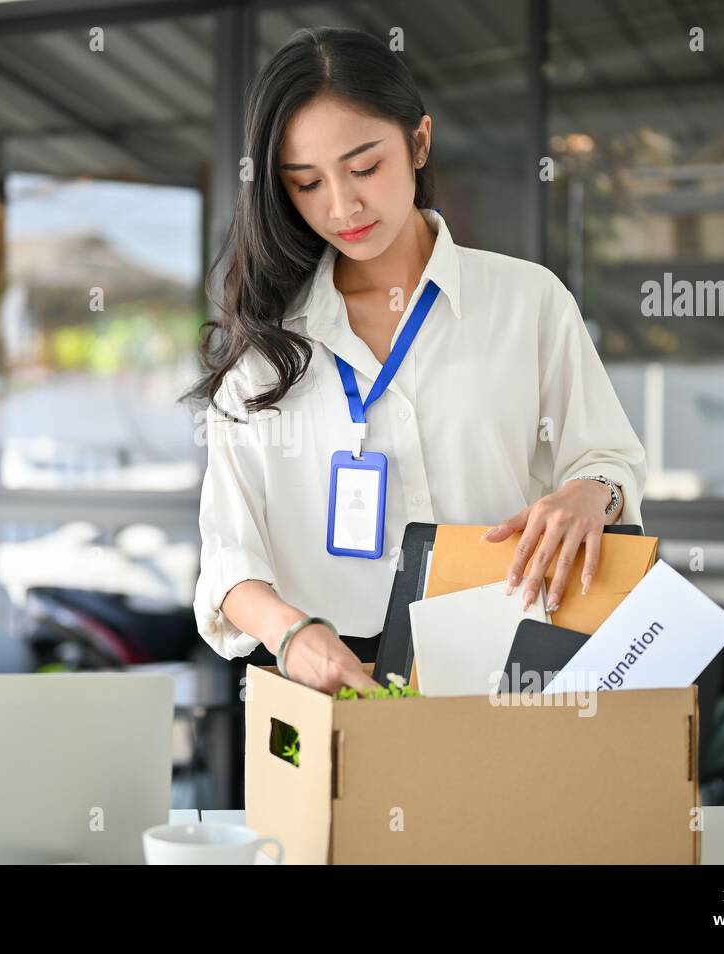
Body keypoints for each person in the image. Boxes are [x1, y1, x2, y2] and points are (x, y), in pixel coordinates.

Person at [183, 27, 647, 694]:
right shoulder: (266, 347)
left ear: (419, 143)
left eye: (364, 167)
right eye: (307, 183)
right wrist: (290, 634)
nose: (341, 207)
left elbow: (610, 462)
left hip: (513, 665)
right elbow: (228, 557)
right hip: (332, 677)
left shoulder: (528, 302)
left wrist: (588, 493)